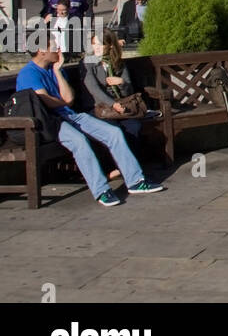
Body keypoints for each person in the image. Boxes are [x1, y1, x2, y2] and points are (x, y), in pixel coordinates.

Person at [15, 38, 164, 206]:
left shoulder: (54, 68)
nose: (59, 49)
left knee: (114, 133)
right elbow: (47, 102)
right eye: (54, 46)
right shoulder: (29, 74)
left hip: (71, 115)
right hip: (50, 121)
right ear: (42, 50)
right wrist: (62, 101)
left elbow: (69, 99)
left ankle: (135, 181)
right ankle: (102, 191)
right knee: (79, 141)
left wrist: (57, 71)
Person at [83, 29, 157, 142]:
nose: (96, 47)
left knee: (134, 126)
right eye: (94, 44)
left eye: (100, 44)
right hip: (99, 107)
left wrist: (122, 83)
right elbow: (93, 88)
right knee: (114, 129)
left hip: (120, 105)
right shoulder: (88, 63)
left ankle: (135, 157)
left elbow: (128, 92)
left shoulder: (117, 62)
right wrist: (112, 104)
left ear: (111, 45)